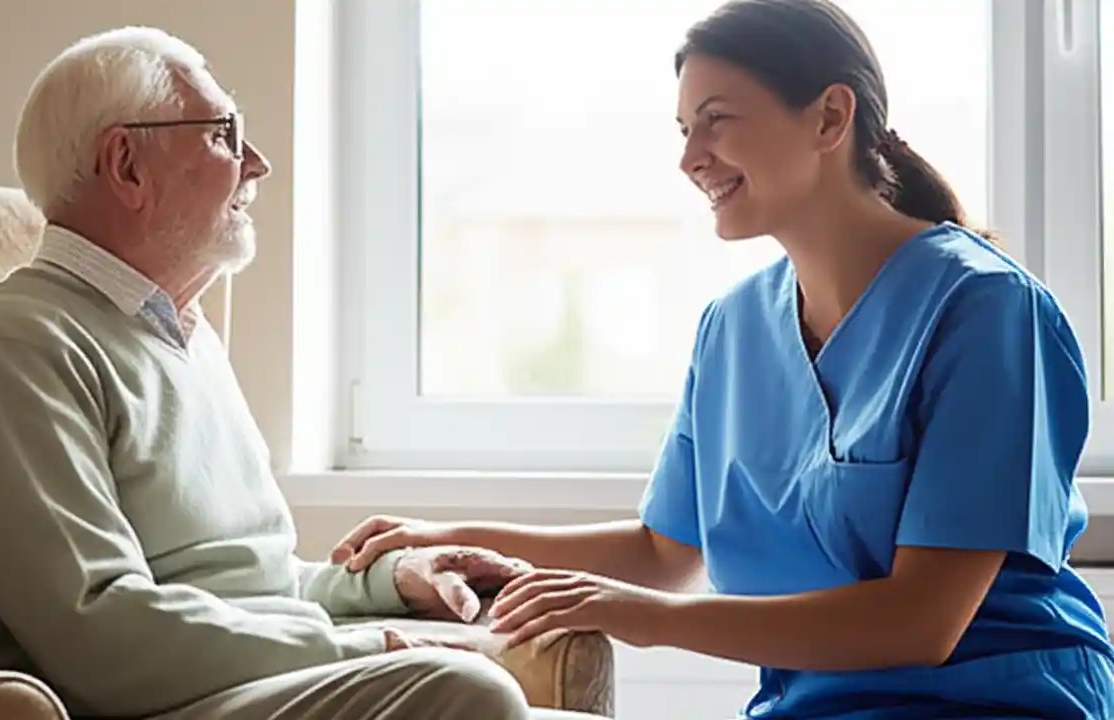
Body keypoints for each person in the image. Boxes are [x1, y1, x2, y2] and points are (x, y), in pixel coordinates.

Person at [331, 0, 1114, 717]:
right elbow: (664, 551)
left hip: (996, 702)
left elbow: (923, 620)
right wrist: (453, 536)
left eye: (717, 121)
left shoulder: (987, 314)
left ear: (829, 117)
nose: (691, 160)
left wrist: (648, 618)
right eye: (683, 131)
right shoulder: (733, 328)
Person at [0, 26, 596, 720]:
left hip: (221, 691)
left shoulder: (186, 341)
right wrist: (365, 647)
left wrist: (395, 582)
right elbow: (101, 632)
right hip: (115, 704)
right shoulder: (10, 346)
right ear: (127, 166)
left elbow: (253, 587)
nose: (256, 162)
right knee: (468, 690)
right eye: (222, 134)